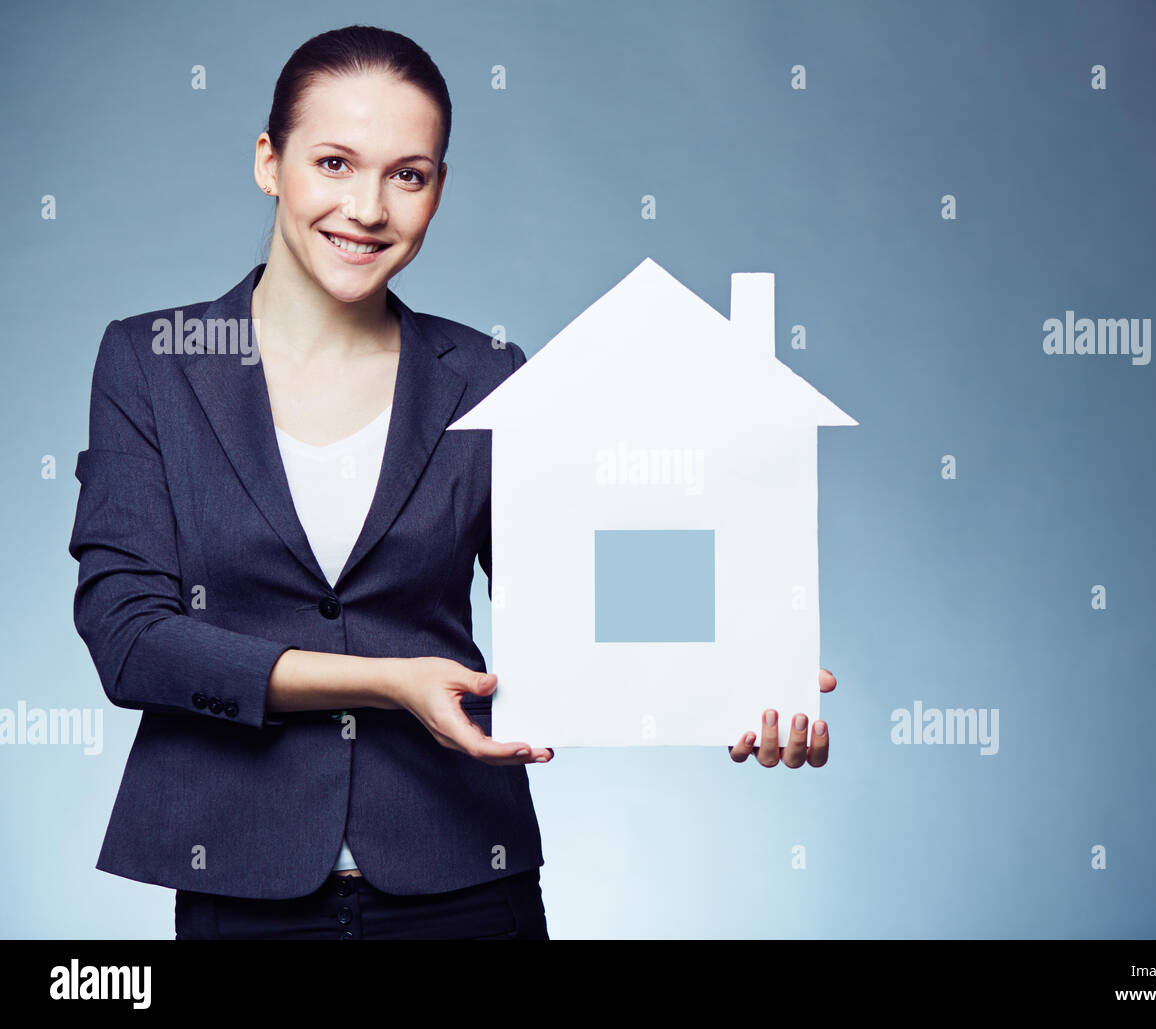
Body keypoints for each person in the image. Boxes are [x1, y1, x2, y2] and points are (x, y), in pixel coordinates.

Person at [68, 24, 835, 941]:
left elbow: (579, 600)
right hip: (242, 881)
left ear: (438, 188)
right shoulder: (152, 362)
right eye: (335, 162)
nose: (367, 207)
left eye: (408, 174)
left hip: (464, 882)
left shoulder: (491, 376)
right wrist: (390, 682)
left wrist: (737, 670)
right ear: (270, 162)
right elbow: (131, 639)